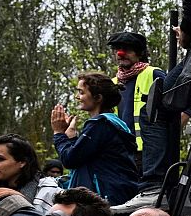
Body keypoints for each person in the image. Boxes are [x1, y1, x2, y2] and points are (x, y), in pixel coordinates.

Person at [50, 72, 139, 203]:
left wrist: (58, 133)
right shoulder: (115, 122)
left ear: (98, 98)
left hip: (103, 197)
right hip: (119, 192)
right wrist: (72, 138)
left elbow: (70, 160)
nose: (77, 97)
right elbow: (85, 158)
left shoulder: (99, 124)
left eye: (81, 92)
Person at [108, 31, 169, 192]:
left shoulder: (154, 74)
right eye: (117, 49)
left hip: (149, 155)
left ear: (140, 52)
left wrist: (163, 145)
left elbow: (182, 113)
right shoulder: (113, 83)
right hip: (123, 155)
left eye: (127, 49)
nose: (120, 54)